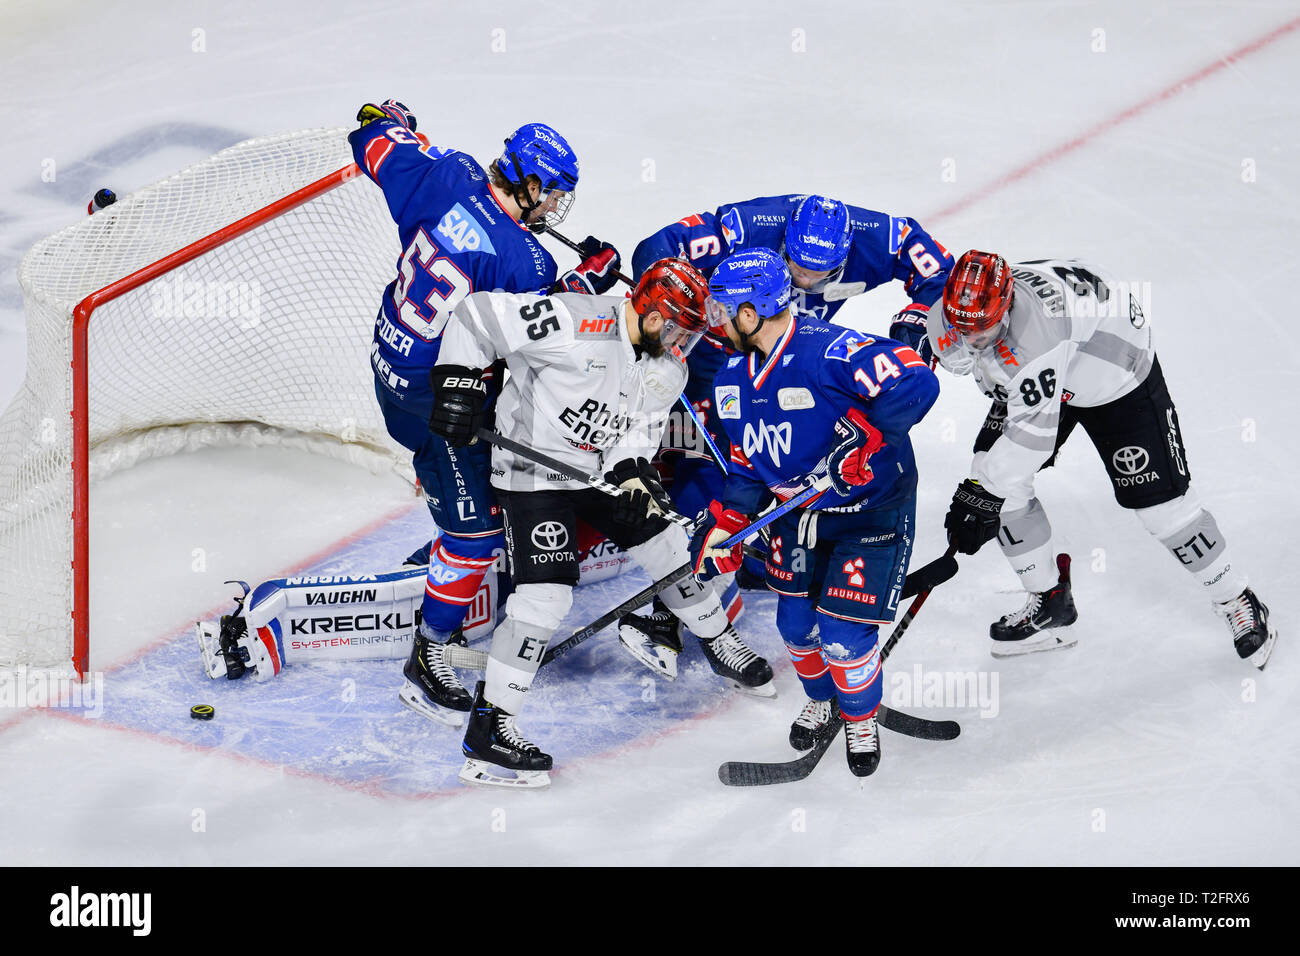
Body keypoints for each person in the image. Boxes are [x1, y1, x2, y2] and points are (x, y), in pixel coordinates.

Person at [426, 258, 775, 788]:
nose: (684, 340)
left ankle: (717, 639)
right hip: (531, 470)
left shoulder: (668, 364)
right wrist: (458, 386)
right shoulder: (572, 320)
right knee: (545, 598)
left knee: (668, 546)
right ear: (655, 317)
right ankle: (489, 730)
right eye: (679, 327)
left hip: (597, 472)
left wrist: (635, 477)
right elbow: (476, 316)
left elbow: (639, 430)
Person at [348, 100, 621, 724]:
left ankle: (454, 512)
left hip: (388, 358)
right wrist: (586, 282)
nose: (555, 207)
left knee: (493, 478)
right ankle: (429, 654)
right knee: (474, 537)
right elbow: (539, 335)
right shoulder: (526, 262)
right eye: (551, 194)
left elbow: (372, 138)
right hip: (438, 400)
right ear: (527, 184)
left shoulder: (449, 173)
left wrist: (393, 120)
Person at [621, 195, 952, 649]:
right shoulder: (749, 225)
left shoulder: (881, 238)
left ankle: (756, 563)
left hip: (790, 352)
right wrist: (697, 306)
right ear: (783, 243)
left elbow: (940, 273)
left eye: (822, 272)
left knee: (786, 451)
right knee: (720, 457)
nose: (808, 280)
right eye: (797, 266)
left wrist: (917, 325)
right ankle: (675, 609)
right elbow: (656, 250)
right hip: (721, 352)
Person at [933, 251, 1278, 668]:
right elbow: (933, 338)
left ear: (1006, 307)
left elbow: (1029, 443)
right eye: (962, 328)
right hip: (1057, 367)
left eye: (981, 331)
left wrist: (980, 496)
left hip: (1115, 377)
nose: (971, 340)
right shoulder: (964, 306)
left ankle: (1234, 595)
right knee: (991, 479)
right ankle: (1050, 605)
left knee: (1162, 509)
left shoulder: (1035, 340)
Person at [690, 249, 940, 777]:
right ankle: (825, 698)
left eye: (724, 308)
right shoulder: (730, 379)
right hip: (796, 516)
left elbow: (917, 380)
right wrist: (729, 525)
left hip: (870, 513)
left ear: (751, 312)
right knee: (796, 626)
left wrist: (866, 443)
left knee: (844, 636)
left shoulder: (828, 350)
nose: (715, 320)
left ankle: (859, 716)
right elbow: (745, 465)